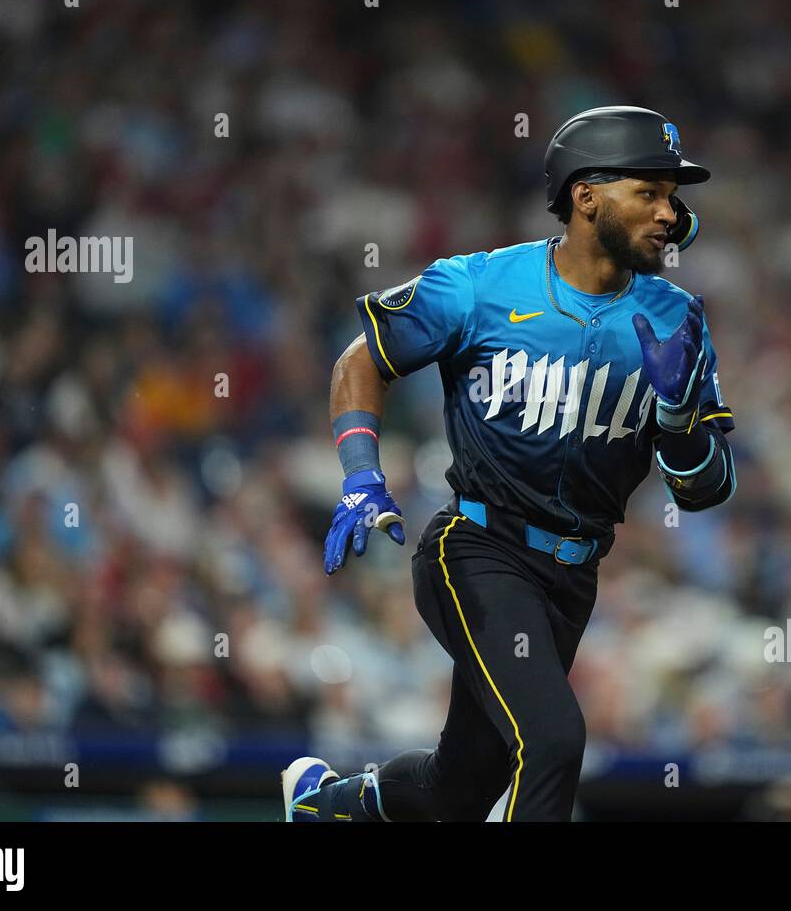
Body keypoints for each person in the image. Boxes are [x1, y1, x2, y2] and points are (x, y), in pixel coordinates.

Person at [283, 105, 736, 822]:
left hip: (573, 576)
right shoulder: (478, 286)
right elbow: (363, 358)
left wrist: (679, 422)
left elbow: (706, 486)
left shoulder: (678, 316)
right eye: (648, 192)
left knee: (459, 790)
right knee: (554, 740)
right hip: (478, 549)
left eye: (672, 197)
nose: (668, 212)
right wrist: (362, 472)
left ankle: (324, 805)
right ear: (586, 195)